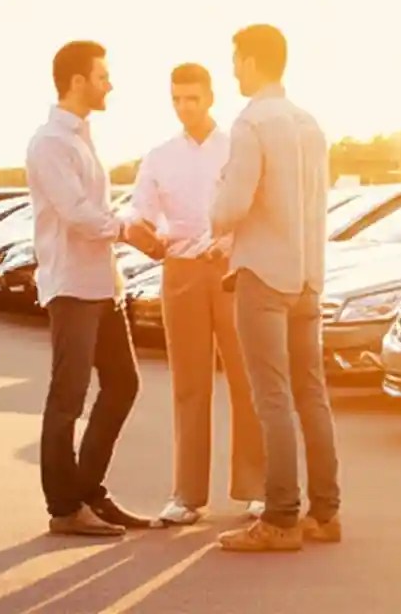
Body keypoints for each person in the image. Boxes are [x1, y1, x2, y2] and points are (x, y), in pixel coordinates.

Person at [25, 40, 163, 536]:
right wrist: (128, 230)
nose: (110, 84)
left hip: (104, 286)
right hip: (71, 287)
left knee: (123, 383)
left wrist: (134, 224)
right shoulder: (50, 143)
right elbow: (79, 215)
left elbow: (99, 210)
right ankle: (64, 508)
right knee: (68, 396)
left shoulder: (82, 138)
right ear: (77, 80)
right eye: (103, 75)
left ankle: (87, 491)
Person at [211, 24, 341, 552]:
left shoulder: (251, 124)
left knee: (272, 397)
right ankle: (325, 513)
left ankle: (281, 518)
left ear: (251, 60)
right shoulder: (309, 124)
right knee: (312, 394)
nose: (233, 69)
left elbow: (230, 207)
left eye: (236, 59)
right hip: (308, 276)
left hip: (263, 275)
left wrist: (215, 206)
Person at [131, 63, 267, 527]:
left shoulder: (236, 149)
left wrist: (228, 244)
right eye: (177, 99)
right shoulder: (159, 156)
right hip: (181, 272)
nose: (185, 107)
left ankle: (256, 488)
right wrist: (143, 234)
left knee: (246, 379)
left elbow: (254, 208)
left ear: (210, 97)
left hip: (231, 270)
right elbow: (142, 214)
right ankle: (187, 496)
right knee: (190, 384)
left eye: (193, 98)